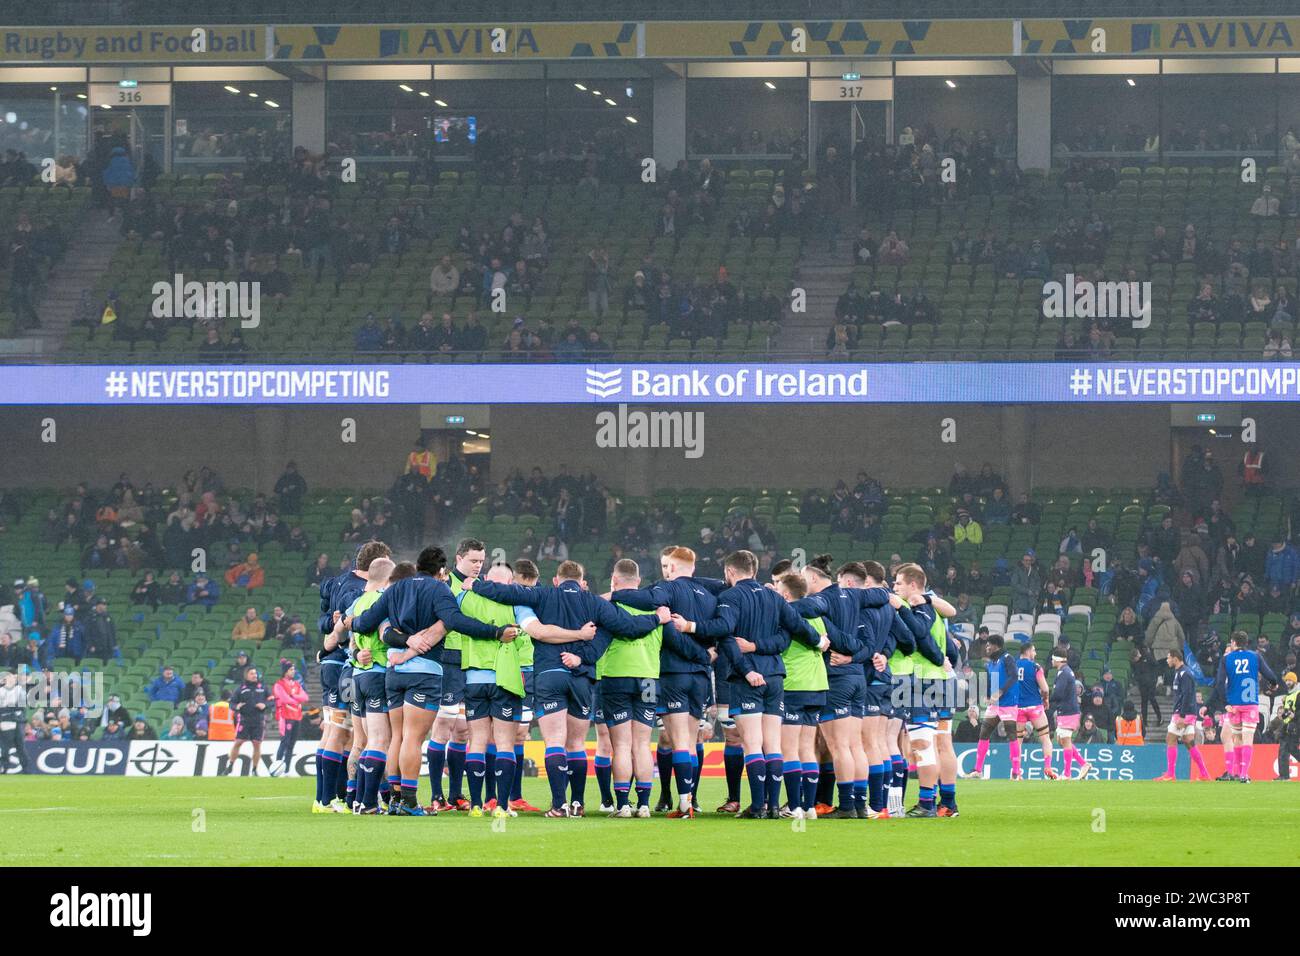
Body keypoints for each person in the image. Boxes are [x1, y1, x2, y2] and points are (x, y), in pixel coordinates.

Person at [466, 558, 667, 818]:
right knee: (576, 744)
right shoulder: (594, 602)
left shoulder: (544, 594)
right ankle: (578, 804)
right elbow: (627, 627)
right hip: (581, 678)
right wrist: (656, 618)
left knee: (554, 743)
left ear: (556, 580)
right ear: (582, 582)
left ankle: (558, 805)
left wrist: (477, 586)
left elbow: (508, 591)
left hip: (550, 674)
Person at [671, 550, 828, 819]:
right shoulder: (774, 597)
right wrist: (818, 641)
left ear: (730, 572)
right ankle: (774, 807)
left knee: (753, 744)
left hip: (749, 679)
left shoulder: (730, 597)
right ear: (754, 570)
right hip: (776, 677)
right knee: (774, 746)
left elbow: (724, 631)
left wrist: (690, 626)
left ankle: (757, 807)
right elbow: (792, 631)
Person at [1216, 630, 1280, 782]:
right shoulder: (1255, 656)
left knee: (1237, 738)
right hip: (1250, 704)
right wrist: (1274, 684)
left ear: (1233, 642)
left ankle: (1237, 772)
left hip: (1234, 705)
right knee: (1247, 738)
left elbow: (1219, 683)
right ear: (1246, 643)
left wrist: (1225, 703)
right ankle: (1244, 774)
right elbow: (1269, 674)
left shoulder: (1226, 659)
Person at [966, 633, 1020, 779]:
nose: (987, 647)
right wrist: (988, 695)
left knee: (1011, 734)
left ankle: (1016, 772)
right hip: (995, 705)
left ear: (997, 646)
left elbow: (1014, 676)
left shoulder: (1007, 658)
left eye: (989, 645)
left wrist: (1000, 692)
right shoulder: (991, 663)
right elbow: (991, 681)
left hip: (1008, 703)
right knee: (984, 733)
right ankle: (977, 770)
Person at [1156, 647, 1211, 781]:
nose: (1167, 660)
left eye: (1169, 657)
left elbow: (1187, 695)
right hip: (1186, 712)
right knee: (1188, 742)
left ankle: (1170, 774)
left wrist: (1182, 716)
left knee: (1170, 738)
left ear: (1175, 658)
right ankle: (1204, 774)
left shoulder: (1185, 674)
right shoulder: (1179, 673)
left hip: (1183, 713)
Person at [1014, 642, 1059, 780]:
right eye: (1033, 650)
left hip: (1018, 708)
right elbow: (1045, 688)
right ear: (1027, 651)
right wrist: (1046, 700)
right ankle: (1048, 767)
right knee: (1045, 737)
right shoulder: (1035, 667)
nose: (1035, 653)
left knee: (1017, 742)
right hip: (1035, 707)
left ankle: (1016, 773)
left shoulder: (1012, 666)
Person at [1049, 651, 1091, 779]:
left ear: (1057, 659)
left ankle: (1067, 773)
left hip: (1068, 711)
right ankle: (1083, 764)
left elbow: (1059, 693)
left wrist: (1047, 699)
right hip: (1066, 710)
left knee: (1065, 741)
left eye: (1052, 658)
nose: (1051, 661)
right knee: (1061, 740)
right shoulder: (1066, 671)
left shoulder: (1064, 673)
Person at [225, 666, 269, 774]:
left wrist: (265, 705)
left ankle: (254, 769)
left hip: (258, 720)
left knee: (257, 744)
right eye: (252, 673)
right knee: (238, 742)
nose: (254, 675)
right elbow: (231, 703)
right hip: (244, 720)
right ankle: (230, 765)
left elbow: (272, 701)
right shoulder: (240, 688)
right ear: (246, 675)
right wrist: (237, 706)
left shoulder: (263, 687)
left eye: (255, 673)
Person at [271, 660, 309, 777]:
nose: (293, 671)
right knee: (284, 742)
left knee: (291, 744)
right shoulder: (279, 684)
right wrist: (296, 699)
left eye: (293, 669)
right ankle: (276, 768)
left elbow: (305, 697)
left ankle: (286, 770)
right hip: (285, 716)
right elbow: (284, 699)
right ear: (285, 671)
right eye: (291, 670)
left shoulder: (296, 684)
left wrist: (293, 696)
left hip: (297, 716)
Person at [1275, 671, 1299, 780]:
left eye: (1290, 680)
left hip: (1295, 725)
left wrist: (1294, 715)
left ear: (1295, 681)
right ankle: (1283, 776)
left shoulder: (1298, 694)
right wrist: (1284, 715)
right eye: (1286, 680)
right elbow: (1287, 712)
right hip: (1287, 725)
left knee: (1291, 748)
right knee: (1283, 750)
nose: (1288, 682)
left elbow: (1296, 711)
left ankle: (1284, 775)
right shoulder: (1288, 695)